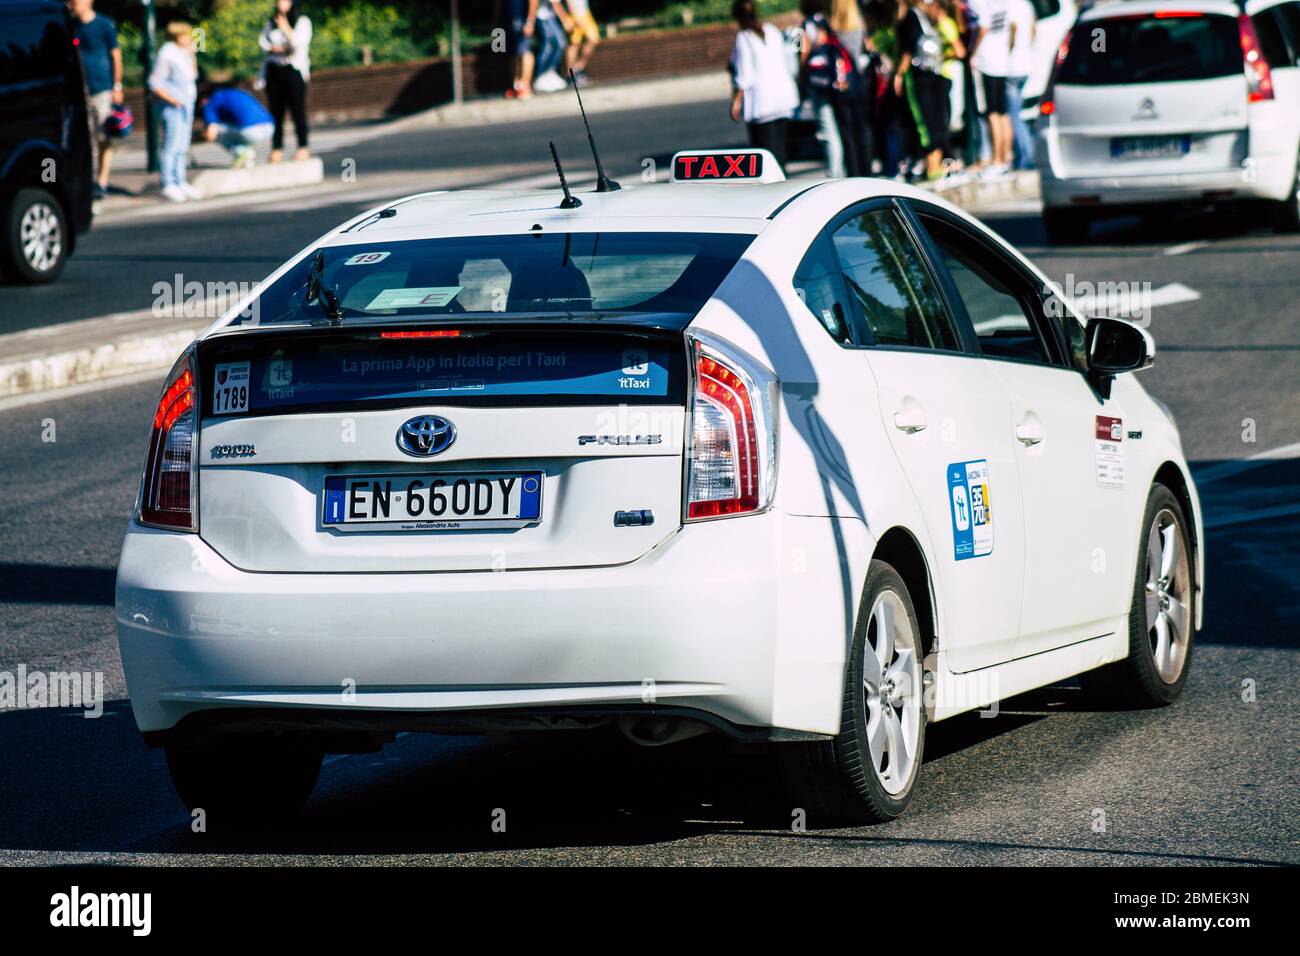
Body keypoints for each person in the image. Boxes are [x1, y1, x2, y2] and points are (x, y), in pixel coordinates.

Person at [729, 0, 800, 164]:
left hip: (763, 103)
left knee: (766, 155)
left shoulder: (744, 37)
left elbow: (744, 75)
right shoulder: (772, 30)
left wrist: (736, 101)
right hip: (784, 97)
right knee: (781, 151)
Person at [68, 0, 122, 200]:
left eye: (76, 1)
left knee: (103, 136)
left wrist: (117, 85)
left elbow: (116, 56)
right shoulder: (71, 26)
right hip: (78, 92)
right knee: (84, 138)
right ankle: (88, 180)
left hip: (102, 88)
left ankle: (101, 181)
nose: (72, 5)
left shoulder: (103, 25)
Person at [896, 0, 951, 180]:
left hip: (918, 76)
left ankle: (932, 167)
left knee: (924, 123)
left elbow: (908, 51)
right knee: (934, 121)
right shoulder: (923, 15)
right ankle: (934, 166)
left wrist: (898, 75)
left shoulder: (911, 17)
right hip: (932, 73)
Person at [148, 21, 199, 203]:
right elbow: (154, 83)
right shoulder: (167, 55)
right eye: (186, 35)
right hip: (173, 106)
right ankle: (168, 182)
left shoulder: (182, 54)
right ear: (177, 36)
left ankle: (180, 180)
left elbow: (193, 75)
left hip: (186, 104)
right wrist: (172, 100)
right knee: (172, 144)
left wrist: (191, 54)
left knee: (182, 144)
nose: (189, 39)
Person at [258, 0, 312, 163]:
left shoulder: (302, 21)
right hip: (275, 71)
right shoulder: (271, 22)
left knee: (297, 111)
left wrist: (285, 27)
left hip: (293, 71)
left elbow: (298, 43)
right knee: (276, 112)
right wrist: (274, 48)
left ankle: (303, 147)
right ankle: (276, 149)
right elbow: (263, 43)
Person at [969, 0, 1013, 175]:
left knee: (993, 114)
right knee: (1002, 114)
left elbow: (984, 26)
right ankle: (1005, 159)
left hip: (987, 61)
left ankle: (996, 161)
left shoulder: (981, 3)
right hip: (1001, 60)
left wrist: (973, 51)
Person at [201, 86, 275, 169]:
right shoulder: (237, 92)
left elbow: (211, 134)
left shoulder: (211, 101)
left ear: (204, 100)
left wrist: (202, 135)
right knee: (236, 130)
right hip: (269, 127)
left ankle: (241, 151)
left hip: (250, 131)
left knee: (219, 130)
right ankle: (246, 156)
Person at [1005, 0, 1036, 169]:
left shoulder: (1009, 5)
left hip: (1013, 67)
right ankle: (1024, 154)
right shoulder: (1026, 5)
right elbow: (1033, 29)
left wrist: (1007, 52)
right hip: (1026, 64)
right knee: (1019, 113)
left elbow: (1013, 28)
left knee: (1014, 115)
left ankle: (1026, 157)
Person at [532, 1, 574, 93]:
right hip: (542, 16)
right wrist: (565, 20)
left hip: (549, 15)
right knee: (548, 46)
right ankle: (540, 76)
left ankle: (550, 73)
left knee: (559, 44)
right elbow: (555, 3)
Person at [565, 0, 600, 87]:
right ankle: (570, 75)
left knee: (594, 39)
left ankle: (578, 68)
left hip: (585, 13)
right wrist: (573, 14)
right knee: (575, 44)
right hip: (575, 14)